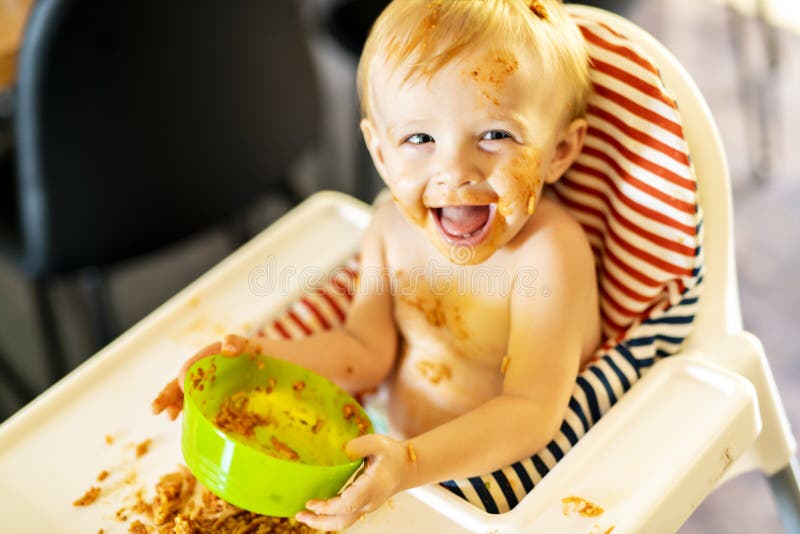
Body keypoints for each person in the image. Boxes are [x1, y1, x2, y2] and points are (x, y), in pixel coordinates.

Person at [153, 0, 600, 529]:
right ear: (381, 151)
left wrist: (412, 463)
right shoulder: (390, 228)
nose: (454, 171)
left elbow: (531, 411)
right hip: (395, 459)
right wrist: (259, 357)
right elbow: (364, 352)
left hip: (501, 486)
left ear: (560, 150)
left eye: (495, 135)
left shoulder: (548, 255)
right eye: (419, 139)